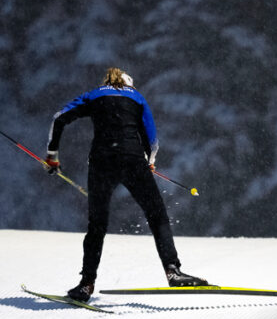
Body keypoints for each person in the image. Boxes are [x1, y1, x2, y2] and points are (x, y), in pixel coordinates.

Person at [46, 67, 207, 301]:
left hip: (101, 163)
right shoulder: (137, 97)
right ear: (128, 84)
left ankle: (86, 284)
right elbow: (152, 140)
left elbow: (59, 118)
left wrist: (52, 156)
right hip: (132, 160)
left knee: (97, 225)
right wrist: (149, 162)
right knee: (157, 215)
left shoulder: (93, 95)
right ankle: (173, 271)